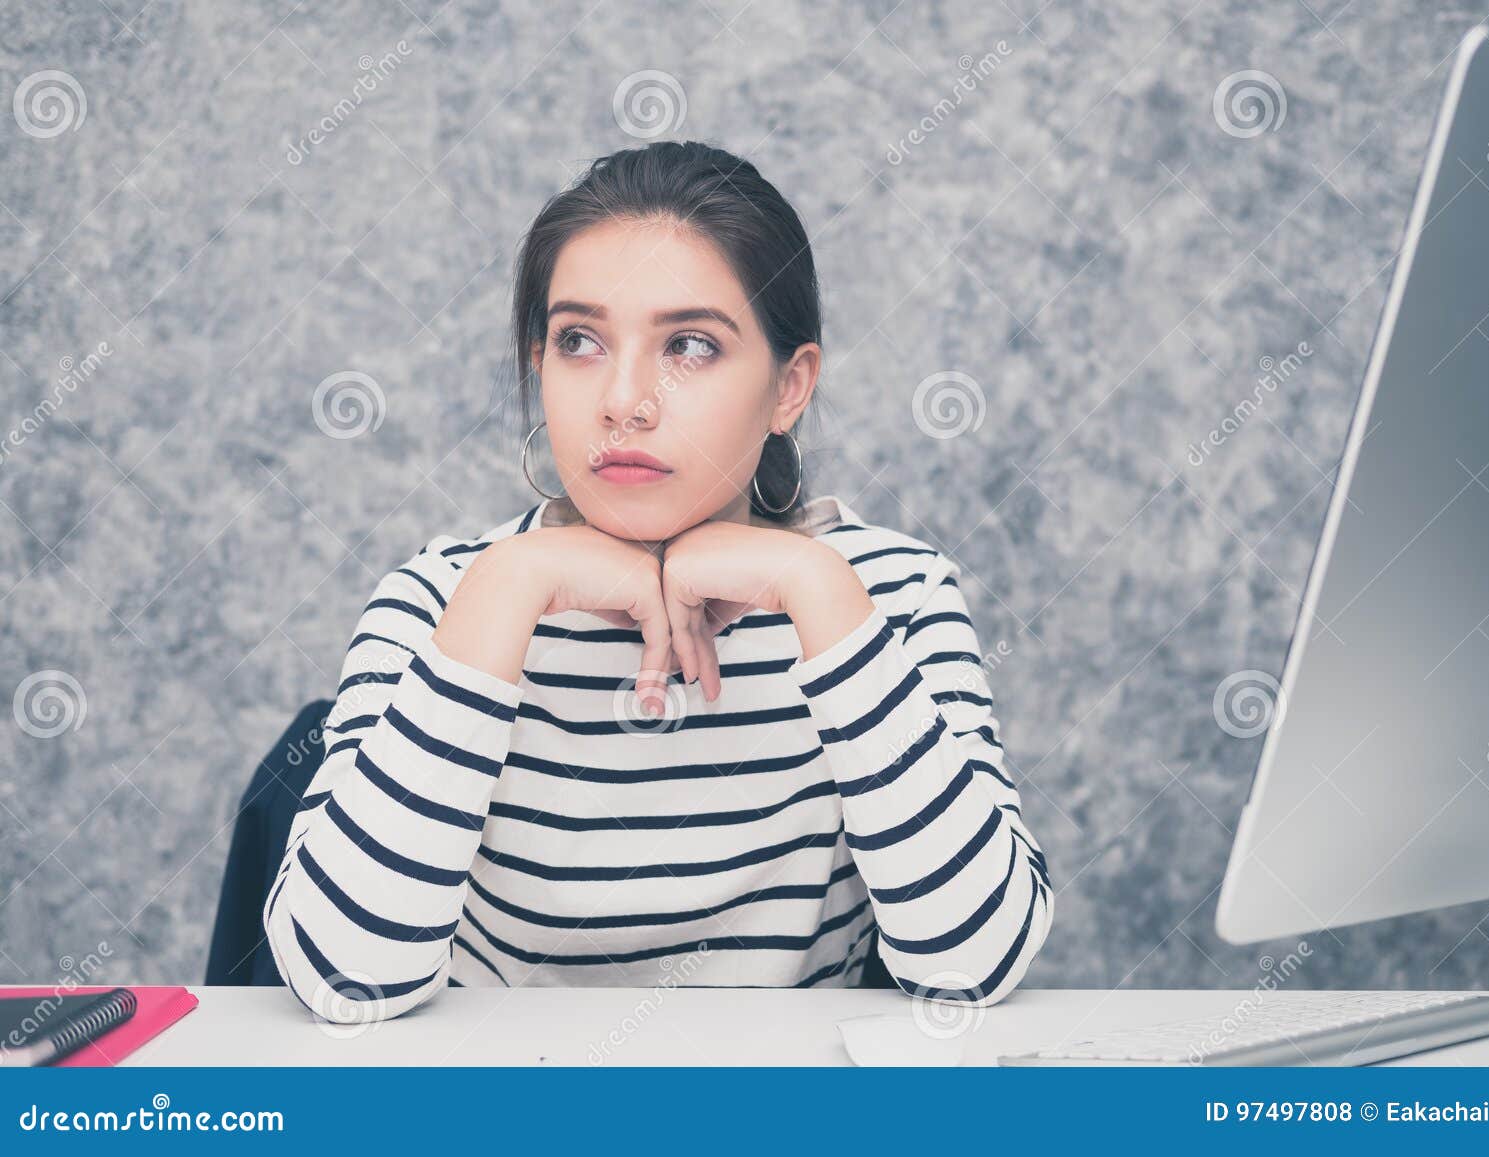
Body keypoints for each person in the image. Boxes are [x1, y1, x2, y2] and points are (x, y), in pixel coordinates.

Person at [263, 140, 1053, 1024]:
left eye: (688, 345)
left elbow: (973, 966)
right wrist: (505, 590)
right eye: (580, 341)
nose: (624, 399)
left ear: (789, 386)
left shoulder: (889, 595)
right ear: (540, 361)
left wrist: (816, 589)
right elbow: (346, 980)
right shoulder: (440, 601)